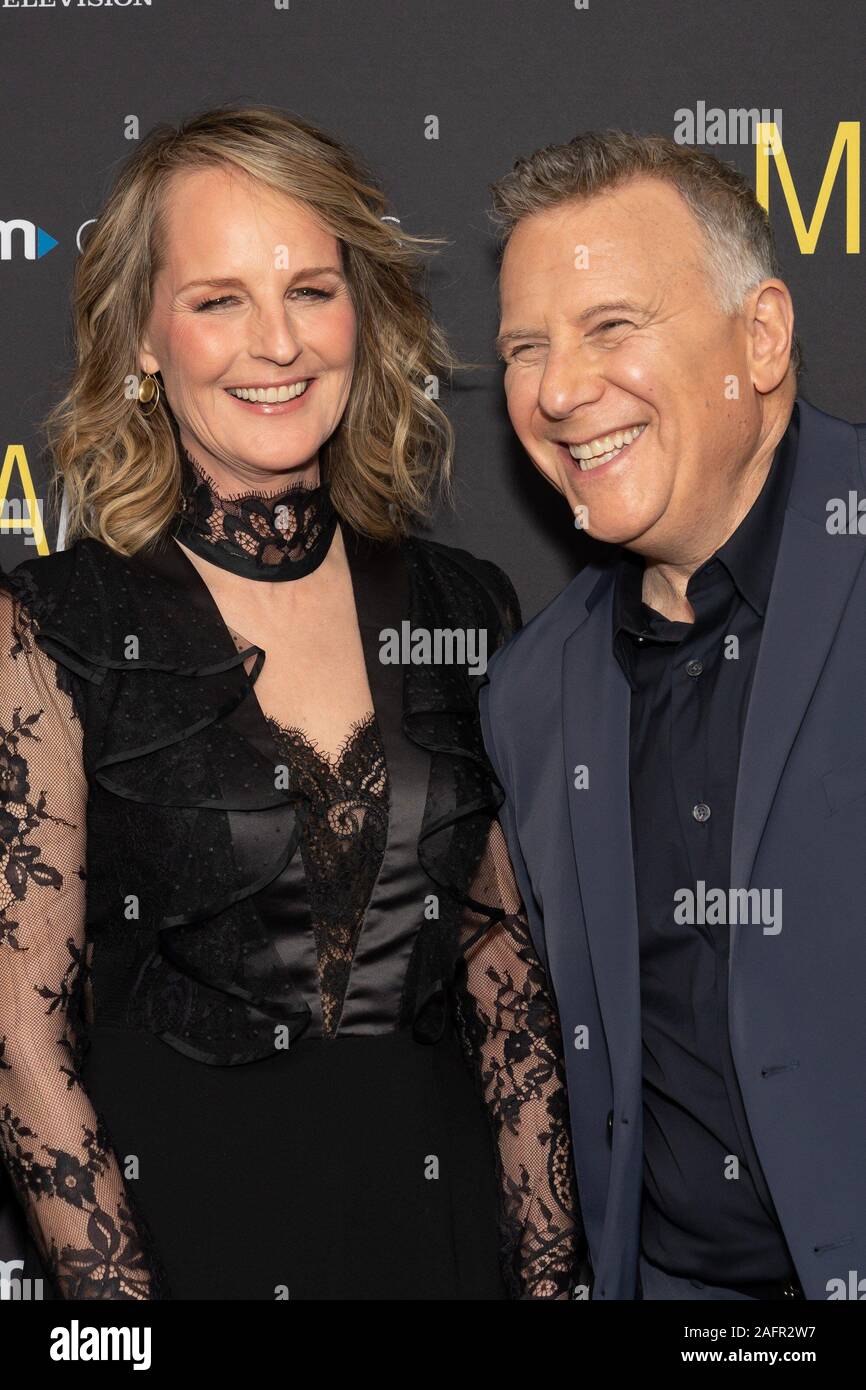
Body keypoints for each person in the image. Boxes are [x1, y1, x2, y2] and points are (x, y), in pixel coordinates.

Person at [0, 104, 587, 1300]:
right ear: (145, 336)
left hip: (440, 1238)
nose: (275, 343)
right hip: (183, 1241)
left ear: (359, 313)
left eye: (309, 291)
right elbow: (20, 1039)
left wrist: (545, 1275)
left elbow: (504, 981)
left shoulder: (462, 604)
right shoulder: (55, 627)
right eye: (219, 299)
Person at [480, 129, 866, 1301]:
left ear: (760, 337)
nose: (557, 391)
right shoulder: (529, 693)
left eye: (610, 326)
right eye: (525, 348)